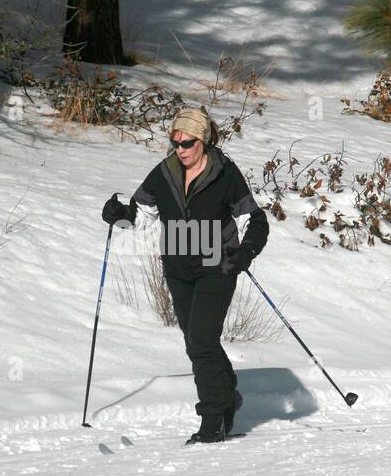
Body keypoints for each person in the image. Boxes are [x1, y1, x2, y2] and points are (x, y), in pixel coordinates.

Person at [101, 106, 269, 444]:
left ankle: (212, 422)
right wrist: (118, 215)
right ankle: (227, 396)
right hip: (177, 265)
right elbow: (142, 214)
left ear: (203, 141)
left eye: (187, 143)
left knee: (202, 340)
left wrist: (245, 251)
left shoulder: (225, 173)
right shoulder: (165, 172)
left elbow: (256, 219)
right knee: (196, 343)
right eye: (175, 142)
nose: (180, 149)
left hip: (216, 263)